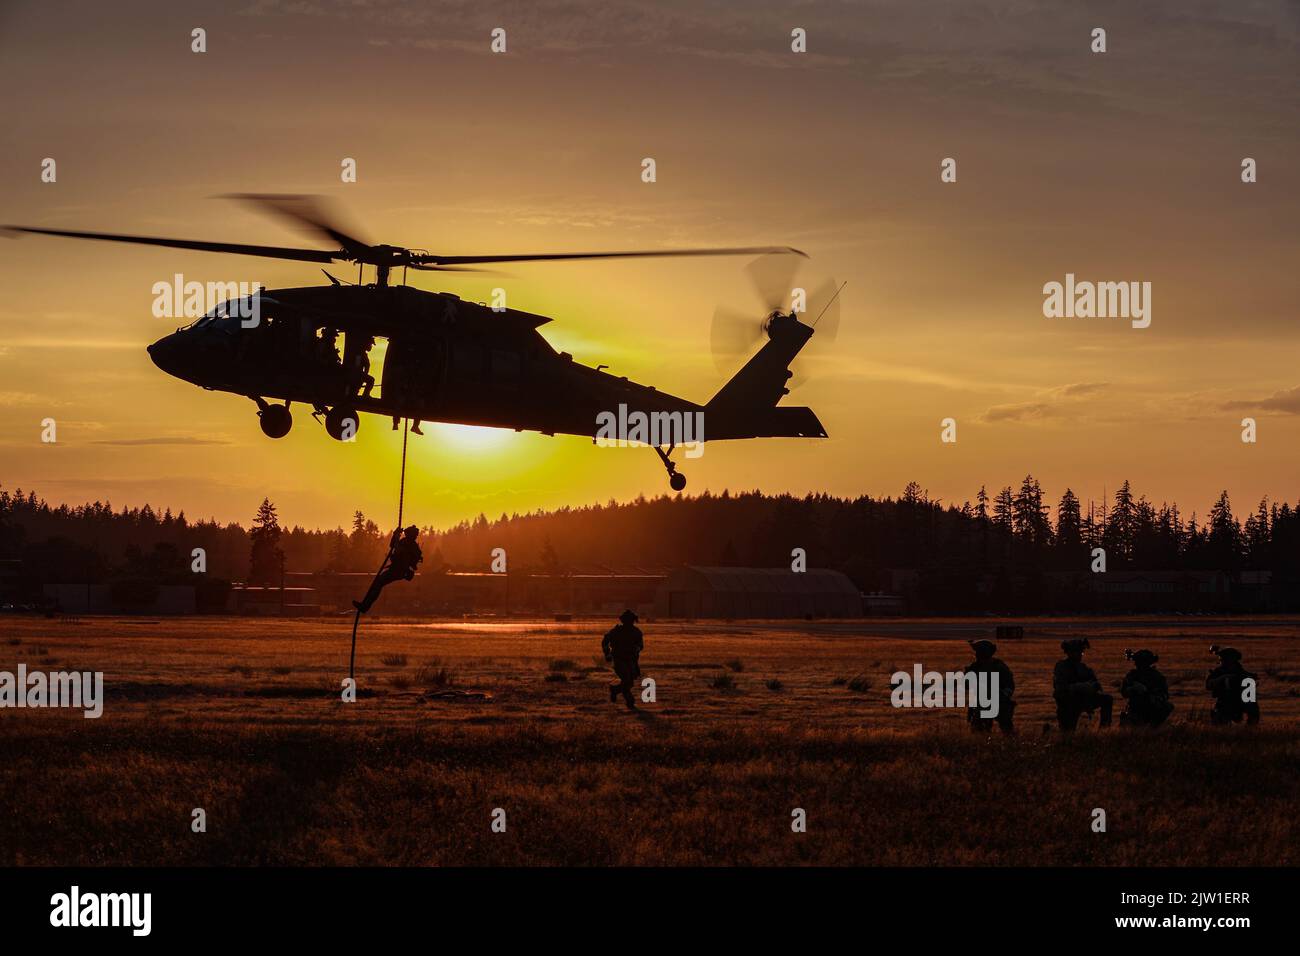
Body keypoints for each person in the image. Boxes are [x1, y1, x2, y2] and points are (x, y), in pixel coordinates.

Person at [352, 526, 423, 614]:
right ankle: (365, 606)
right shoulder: (405, 541)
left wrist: (397, 539)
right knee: (377, 584)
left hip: (398, 571)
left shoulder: (412, 546)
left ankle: (365, 606)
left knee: (378, 583)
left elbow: (400, 551)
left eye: (407, 533)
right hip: (395, 569)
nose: (406, 534)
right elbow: (393, 545)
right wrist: (395, 535)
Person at [1052, 638, 1112, 731]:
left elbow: (1095, 683)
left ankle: (1104, 730)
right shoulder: (1062, 666)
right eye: (1078, 652)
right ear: (1070, 653)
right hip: (1068, 704)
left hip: (1083, 700)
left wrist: (1093, 686)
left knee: (1107, 699)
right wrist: (1080, 687)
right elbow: (1061, 688)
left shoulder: (1083, 667)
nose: (1081, 655)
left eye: (1081, 652)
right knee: (1067, 733)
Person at [964, 639, 1015, 734]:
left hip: (999, 703)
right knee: (979, 732)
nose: (976, 654)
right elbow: (966, 685)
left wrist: (1002, 696)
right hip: (982, 704)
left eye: (978, 652)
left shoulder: (998, 666)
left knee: (1007, 731)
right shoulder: (975, 667)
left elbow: (1009, 685)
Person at [1206, 645, 1261, 725]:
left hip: (1240, 702)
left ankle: (1250, 732)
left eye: (1223, 660)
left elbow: (1250, 698)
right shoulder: (1219, 671)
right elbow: (1208, 685)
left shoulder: (1240, 671)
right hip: (1224, 702)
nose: (1222, 662)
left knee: (1253, 709)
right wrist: (1222, 679)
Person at [1119, 648, 1174, 727]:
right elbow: (1124, 692)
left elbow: (1164, 695)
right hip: (1135, 708)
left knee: (1167, 706)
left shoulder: (1156, 676)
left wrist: (1149, 694)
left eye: (1140, 663)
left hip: (1151, 708)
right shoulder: (1132, 675)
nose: (1137, 665)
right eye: (1137, 662)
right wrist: (1132, 690)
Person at [602, 609, 644, 711]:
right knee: (626, 680)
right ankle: (630, 701)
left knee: (630, 683)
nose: (629, 622)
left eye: (630, 620)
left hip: (631, 660)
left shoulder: (637, 632)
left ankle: (615, 690)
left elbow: (641, 645)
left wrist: (637, 649)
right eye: (627, 620)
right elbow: (605, 641)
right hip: (619, 659)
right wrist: (607, 654)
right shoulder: (616, 631)